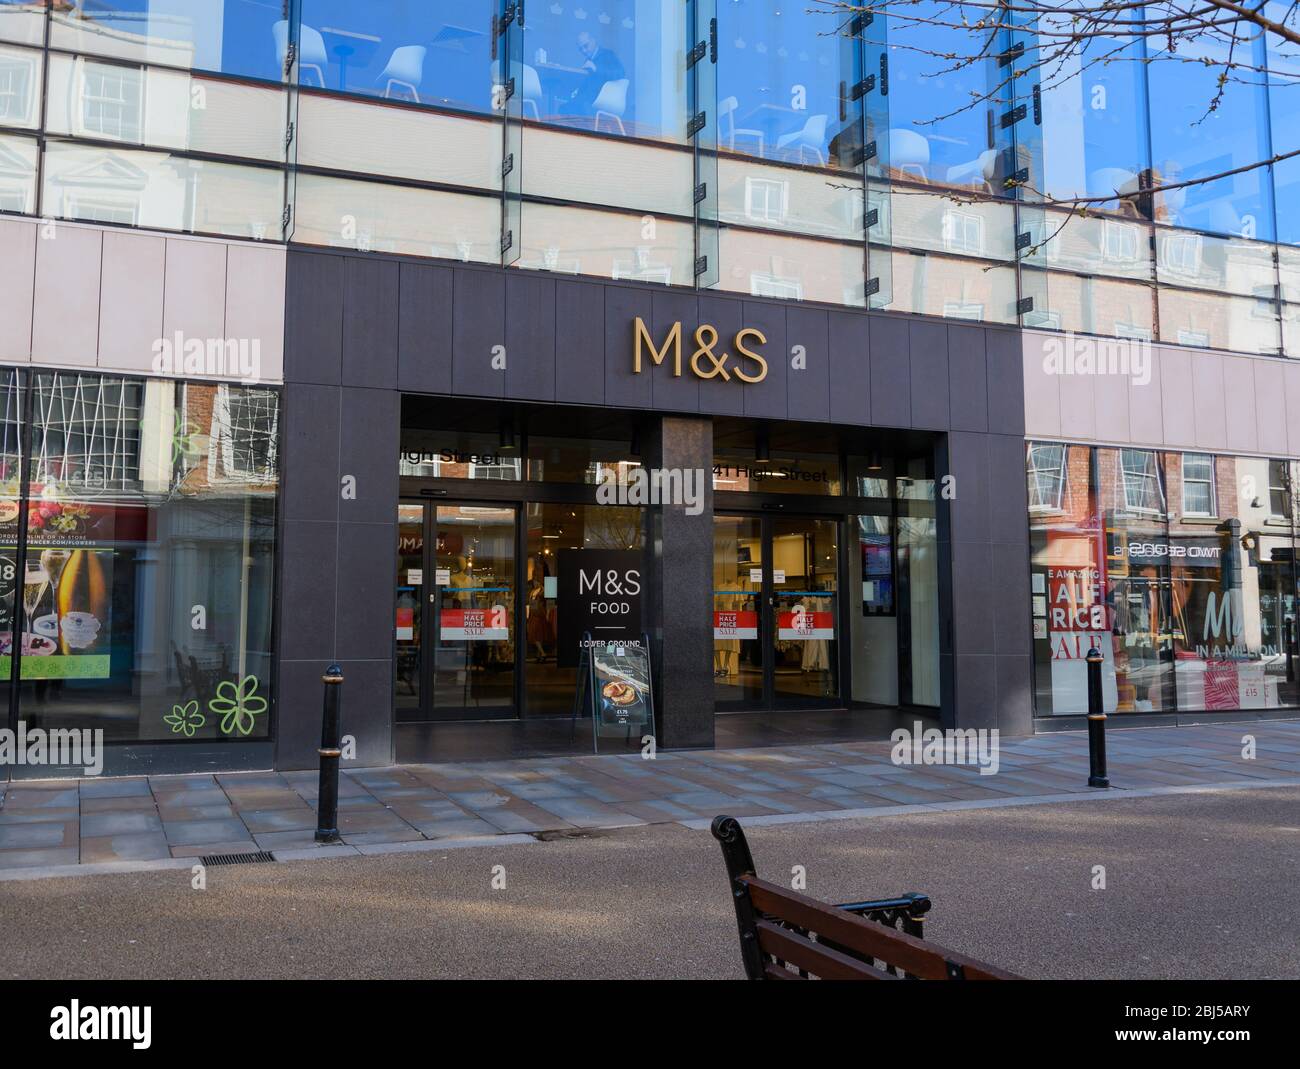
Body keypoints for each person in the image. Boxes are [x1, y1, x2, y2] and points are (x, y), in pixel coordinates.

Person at [565, 31, 624, 116]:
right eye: (580, 49)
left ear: (593, 41)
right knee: (567, 107)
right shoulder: (588, 60)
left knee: (568, 109)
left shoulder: (608, 54)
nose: (584, 51)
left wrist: (596, 68)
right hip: (588, 101)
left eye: (585, 46)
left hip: (601, 100)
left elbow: (621, 73)